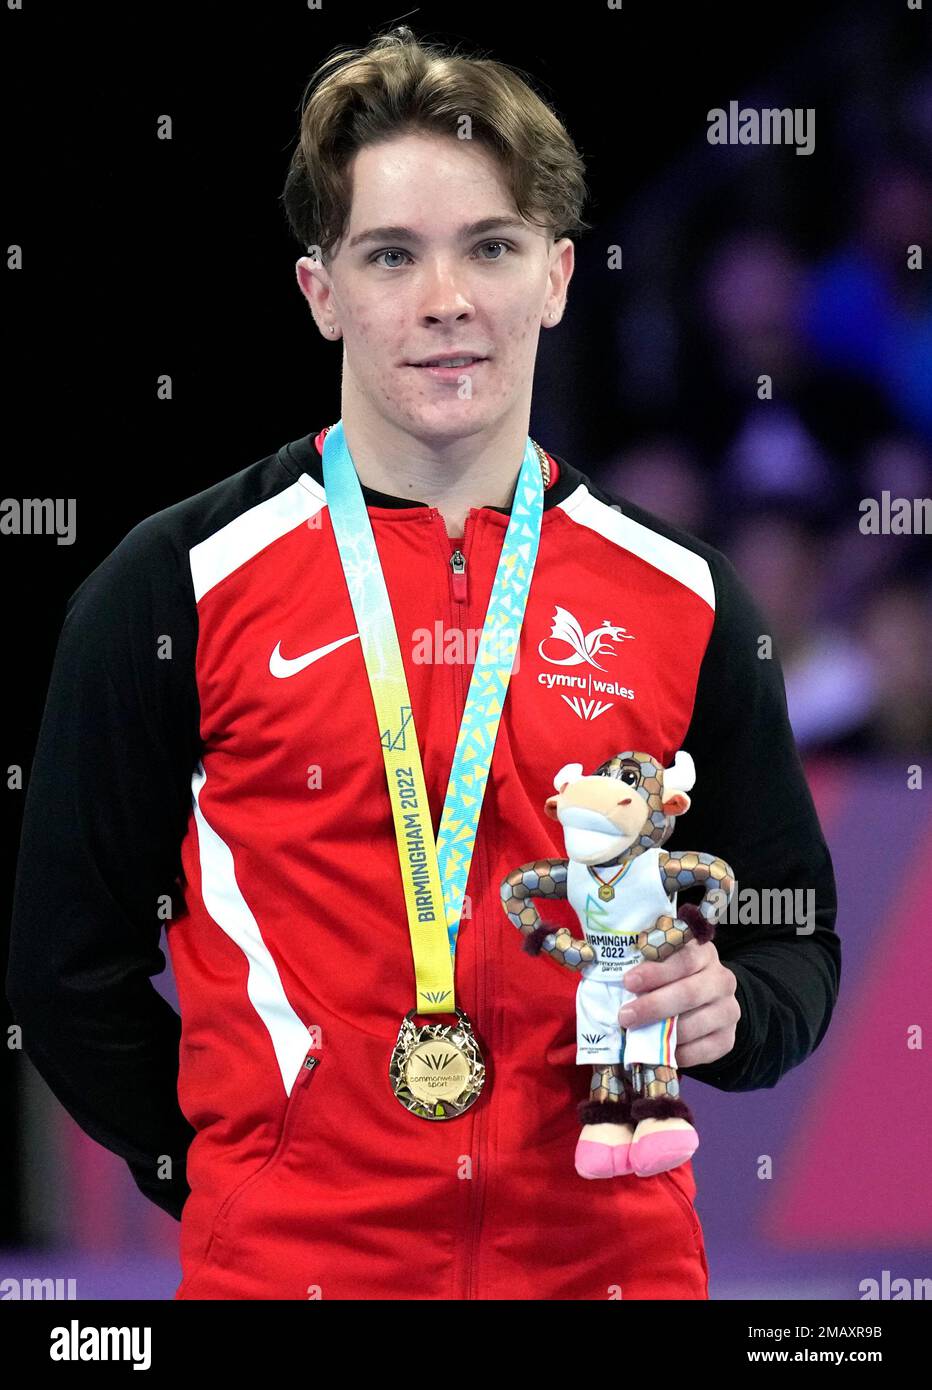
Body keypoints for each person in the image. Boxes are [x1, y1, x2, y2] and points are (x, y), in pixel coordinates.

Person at [6, 26, 839, 1301]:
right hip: (288, 1277)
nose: (445, 298)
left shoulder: (684, 596)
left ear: (556, 276)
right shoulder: (168, 588)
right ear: (320, 292)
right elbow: (66, 972)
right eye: (390, 255)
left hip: (611, 1272)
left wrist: (738, 1009)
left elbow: (796, 929)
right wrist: (231, 1172)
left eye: (490, 246)